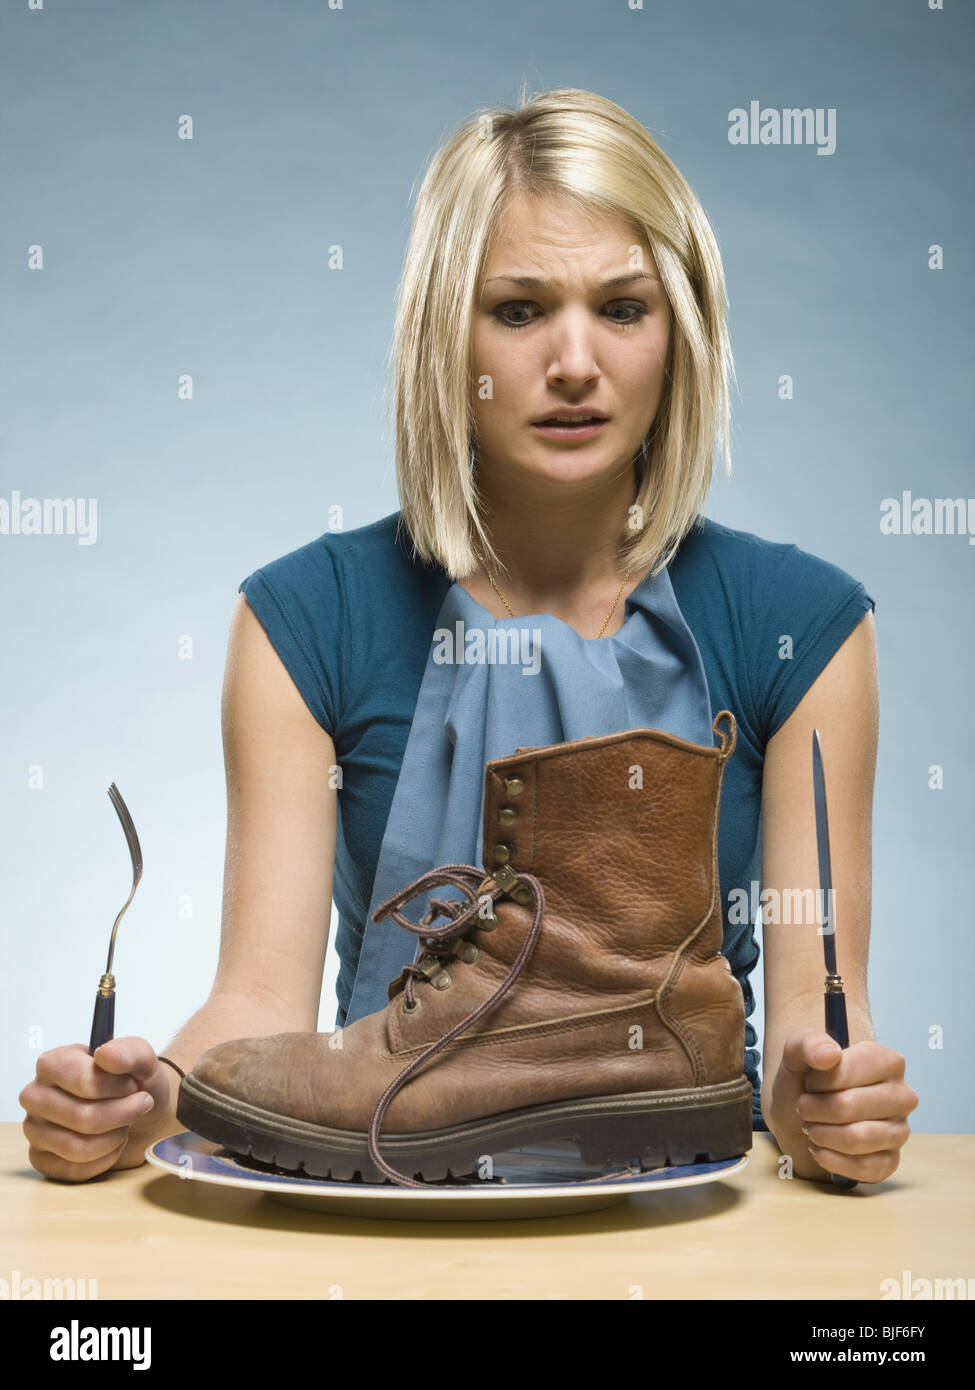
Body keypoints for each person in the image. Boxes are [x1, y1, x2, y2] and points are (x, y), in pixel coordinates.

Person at [20, 87, 917, 1186]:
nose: (576, 361)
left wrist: (826, 1096)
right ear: (446, 334)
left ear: (681, 337)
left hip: (686, 1202)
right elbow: (257, 999)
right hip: (371, 1178)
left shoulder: (800, 628)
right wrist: (157, 1091)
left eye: (624, 309)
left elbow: (811, 1021)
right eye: (521, 308)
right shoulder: (309, 617)